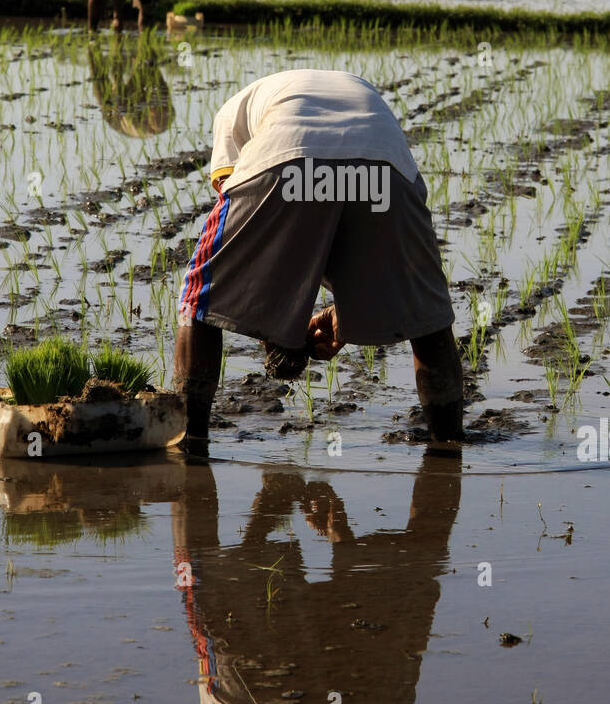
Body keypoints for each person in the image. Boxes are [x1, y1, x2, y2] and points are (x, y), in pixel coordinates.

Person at [173, 69, 463, 446]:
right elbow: (348, 229)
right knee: (428, 318)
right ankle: (448, 443)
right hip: (385, 170)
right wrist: (350, 307)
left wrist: (277, 324)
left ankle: (189, 439)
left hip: (286, 152)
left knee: (201, 298)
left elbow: (256, 245)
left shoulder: (231, 116)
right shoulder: (344, 89)